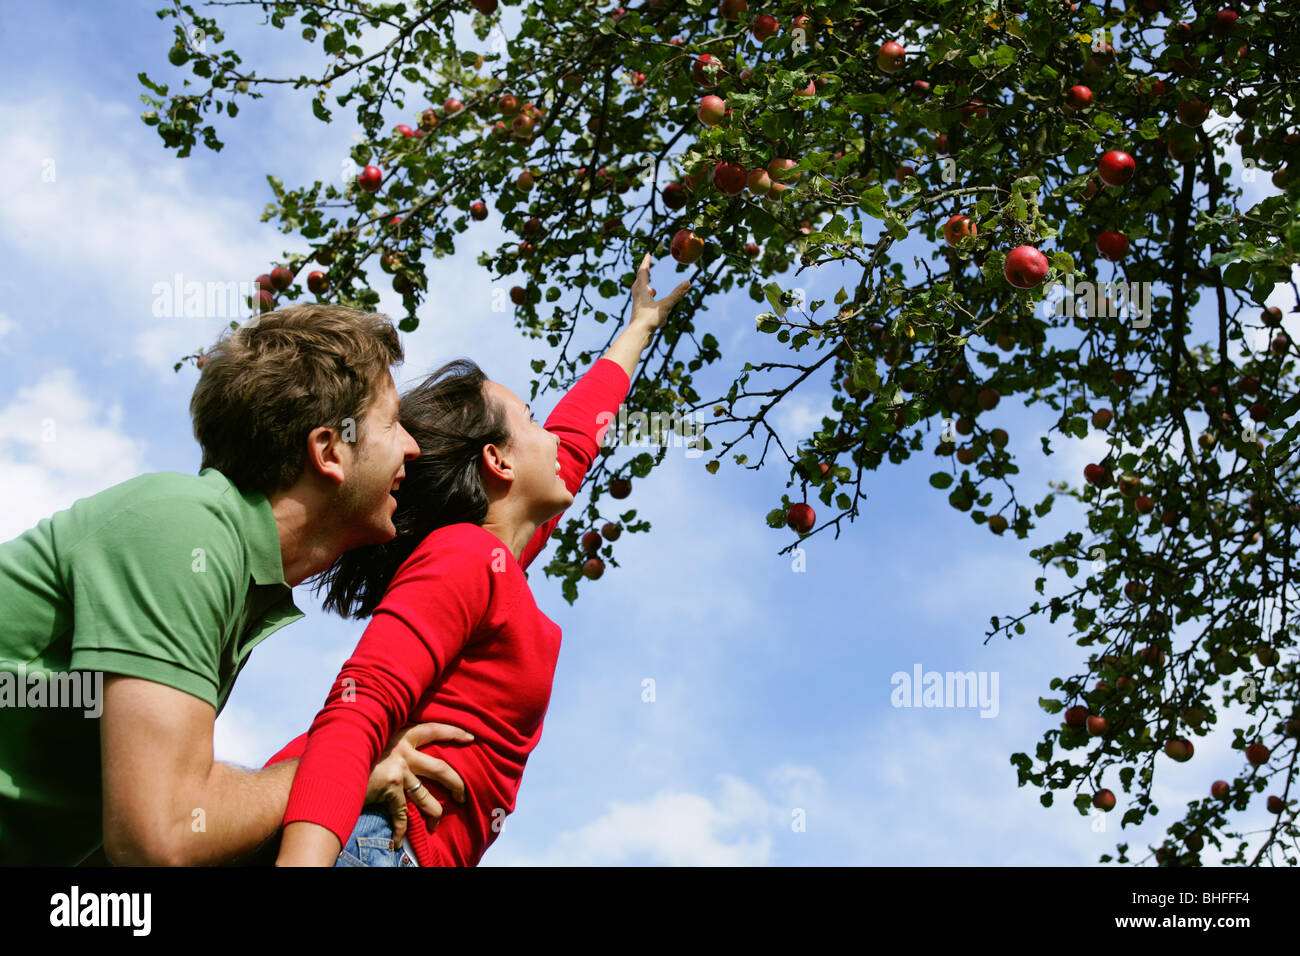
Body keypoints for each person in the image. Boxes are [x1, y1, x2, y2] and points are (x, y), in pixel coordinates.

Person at [0, 304, 466, 866]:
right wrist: (340, 770)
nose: (411, 448)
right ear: (329, 451)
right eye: (391, 424)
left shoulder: (233, 573)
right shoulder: (183, 525)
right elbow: (160, 836)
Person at [268, 255, 689, 866]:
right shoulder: (467, 553)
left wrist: (639, 327)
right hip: (364, 842)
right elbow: (358, 703)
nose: (552, 436)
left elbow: (576, 438)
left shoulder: (494, 562)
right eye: (531, 420)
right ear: (499, 463)